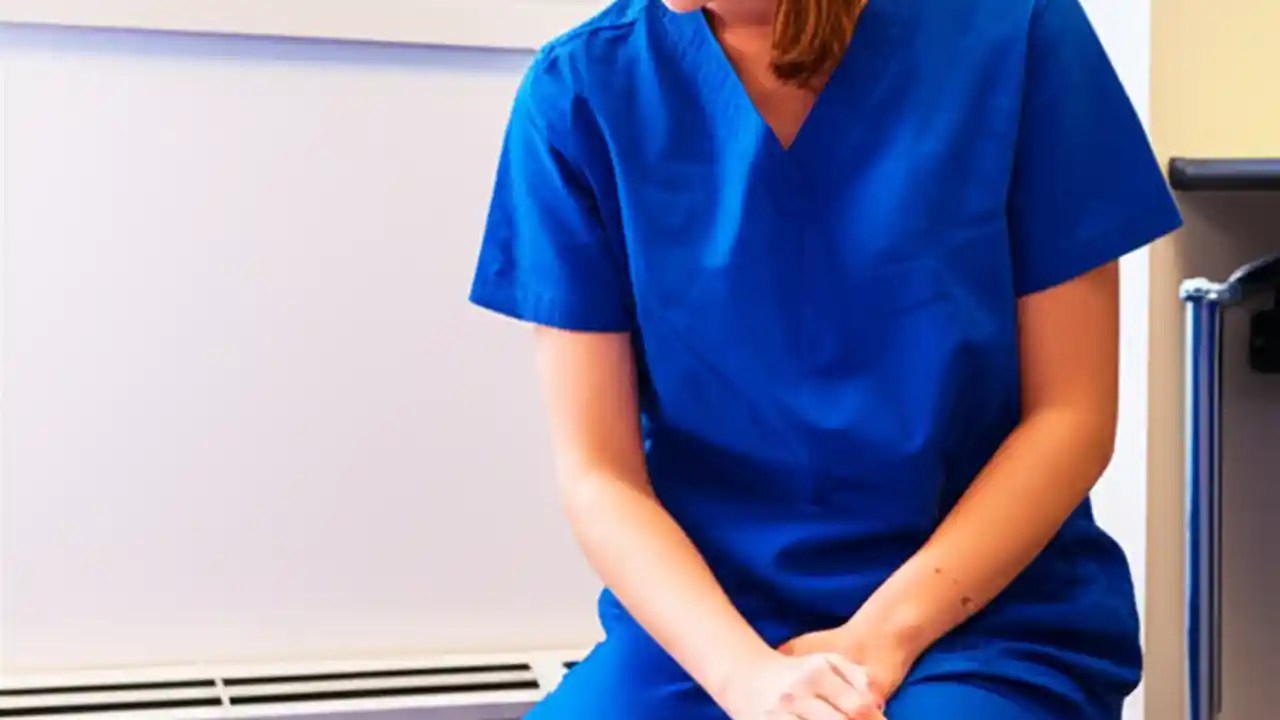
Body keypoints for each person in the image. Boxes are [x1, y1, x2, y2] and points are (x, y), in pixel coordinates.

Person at [469, 0, 1182, 716]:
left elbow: (1070, 418)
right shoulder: (583, 88)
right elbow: (601, 476)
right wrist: (744, 677)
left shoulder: (1017, 33)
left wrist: (875, 644)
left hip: (984, 615)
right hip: (710, 627)